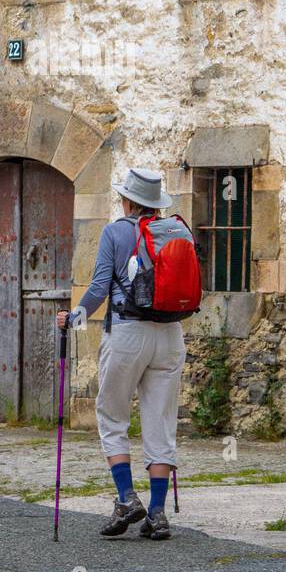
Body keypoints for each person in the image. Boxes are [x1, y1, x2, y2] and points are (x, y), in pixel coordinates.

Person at [57, 167, 186, 541]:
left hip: (128, 333)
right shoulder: (174, 231)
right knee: (160, 422)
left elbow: (99, 288)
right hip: (171, 334)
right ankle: (158, 513)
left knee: (112, 414)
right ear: (155, 205)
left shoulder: (115, 232)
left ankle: (128, 498)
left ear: (127, 200)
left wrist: (73, 318)